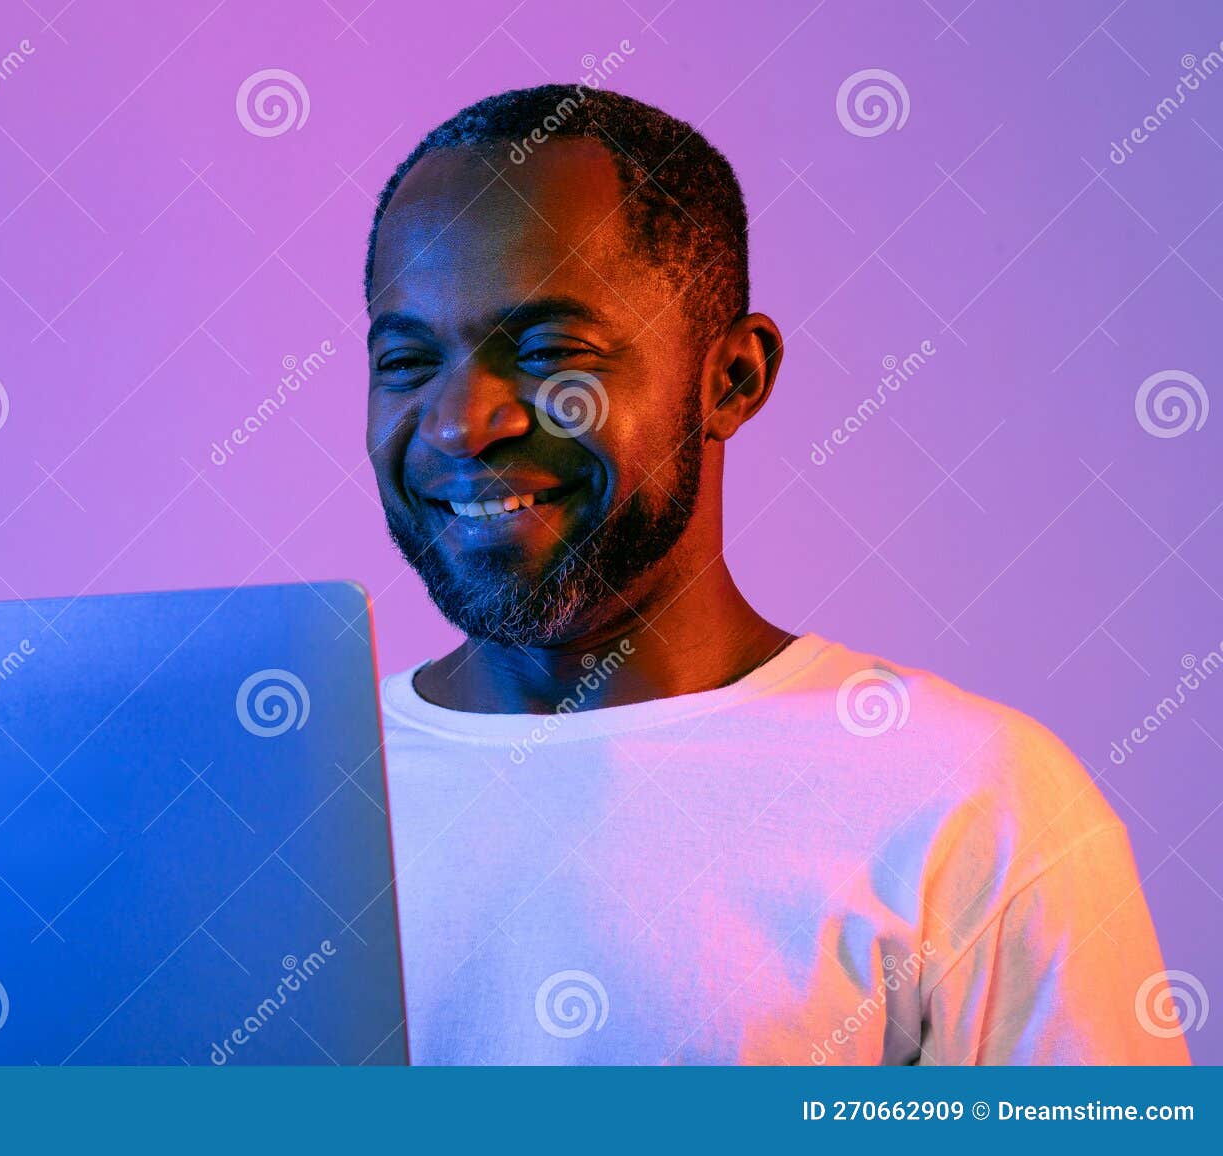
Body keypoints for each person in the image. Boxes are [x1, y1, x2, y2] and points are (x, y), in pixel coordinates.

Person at [363, 85, 1189, 1065]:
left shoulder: (970, 796)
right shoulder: (296, 806)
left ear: (732, 379)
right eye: (406, 363)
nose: (461, 424)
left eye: (550, 353)